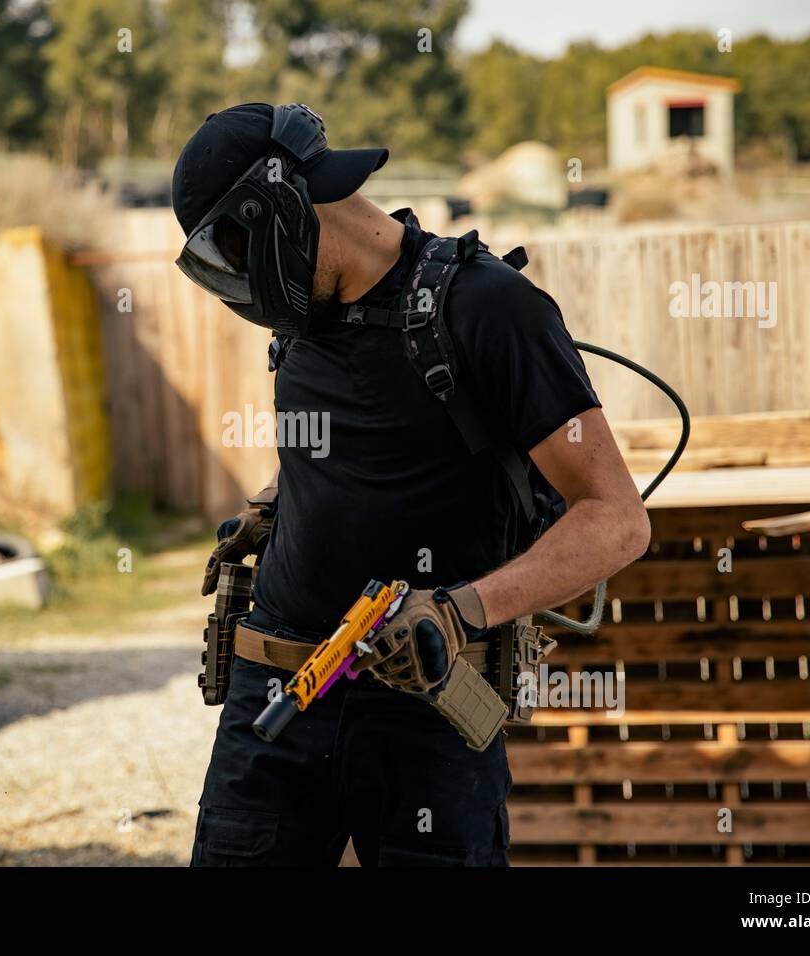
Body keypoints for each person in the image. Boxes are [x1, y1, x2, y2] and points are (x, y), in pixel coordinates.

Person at [173, 103, 650, 866]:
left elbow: (617, 518)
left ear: (284, 207)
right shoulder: (300, 322)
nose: (243, 280)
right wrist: (273, 503)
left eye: (238, 246)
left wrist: (459, 612)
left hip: (426, 706)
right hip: (273, 701)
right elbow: (348, 443)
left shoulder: (489, 309)